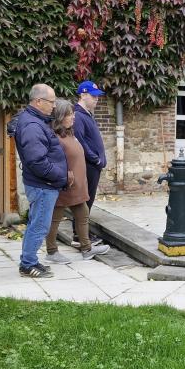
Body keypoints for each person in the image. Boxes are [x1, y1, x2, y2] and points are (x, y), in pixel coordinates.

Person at [13, 84, 69, 278]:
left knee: (36, 223)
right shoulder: (32, 126)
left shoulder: (35, 121)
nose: (54, 106)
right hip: (43, 185)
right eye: (51, 102)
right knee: (39, 226)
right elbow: (37, 161)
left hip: (44, 184)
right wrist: (59, 175)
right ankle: (28, 265)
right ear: (38, 101)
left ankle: (30, 260)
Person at [44, 100, 110, 264]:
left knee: (83, 214)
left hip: (77, 186)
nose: (73, 117)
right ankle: (51, 252)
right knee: (55, 219)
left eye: (73, 113)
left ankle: (86, 249)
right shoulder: (55, 137)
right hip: (64, 185)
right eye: (69, 114)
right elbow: (53, 161)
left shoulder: (69, 133)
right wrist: (65, 177)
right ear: (60, 117)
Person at [73, 80, 107, 247]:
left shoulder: (86, 114)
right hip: (88, 165)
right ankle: (79, 236)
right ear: (83, 95)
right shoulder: (78, 115)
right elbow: (79, 141)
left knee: (88, 200)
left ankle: (81, 234)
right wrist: (95, 159)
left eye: (97, 97)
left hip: (93, 165)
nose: (96, 100)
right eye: (93, 96)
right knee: (85, 200)